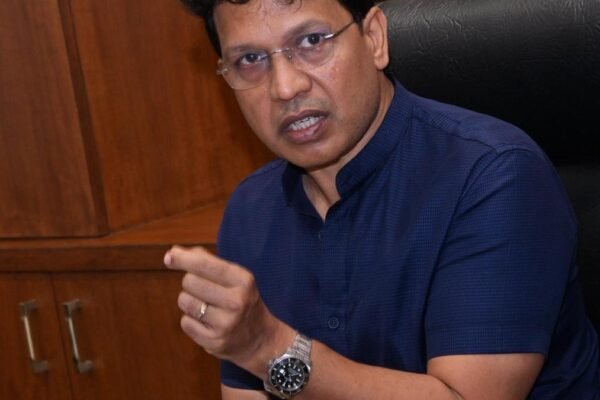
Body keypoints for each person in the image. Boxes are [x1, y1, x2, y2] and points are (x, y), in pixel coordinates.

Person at [163, 0, 600, 398]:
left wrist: (269, 346)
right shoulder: (250, 210)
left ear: (374, 37)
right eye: (250, 60)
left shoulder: (493, 175)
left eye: (312, 41)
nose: (285, 87)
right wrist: (259, 350)